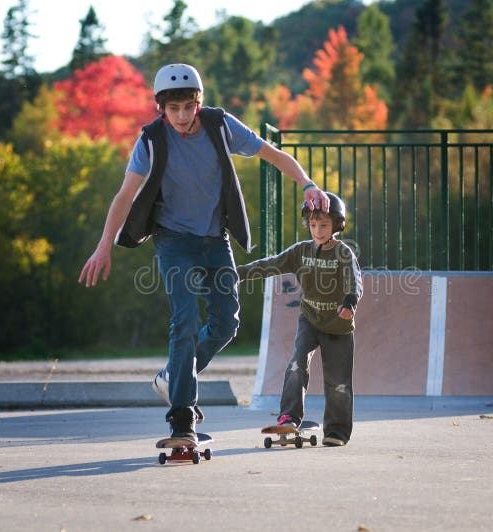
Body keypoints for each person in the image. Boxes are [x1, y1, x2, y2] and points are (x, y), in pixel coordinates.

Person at [78, 63, 329, 442]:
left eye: (188, 107)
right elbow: (124, 196)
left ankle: (172, 377)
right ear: (160, 107)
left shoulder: (220, 126)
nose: (181, 116)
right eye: (173, 108)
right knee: (185, 321)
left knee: (227, 322)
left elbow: (273, 155)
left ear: (199, 103)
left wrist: (308, 183)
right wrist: (103, 248)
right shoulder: (151, 140)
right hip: (173, 241)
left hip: (215, 239)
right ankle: (182, 417)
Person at [236, 192, 362, 446]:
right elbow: (271, 264)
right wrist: (237, 273)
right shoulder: (301, 251)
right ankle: (289, 417)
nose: (317, 230)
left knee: (338, 382)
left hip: (338, 326)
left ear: (336, 225)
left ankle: (336, 432)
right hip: (310, 319)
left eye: (324, 225)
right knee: (296, 365)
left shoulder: (343, 253)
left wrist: (350, 301)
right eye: (313, 225)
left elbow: (354, 280)